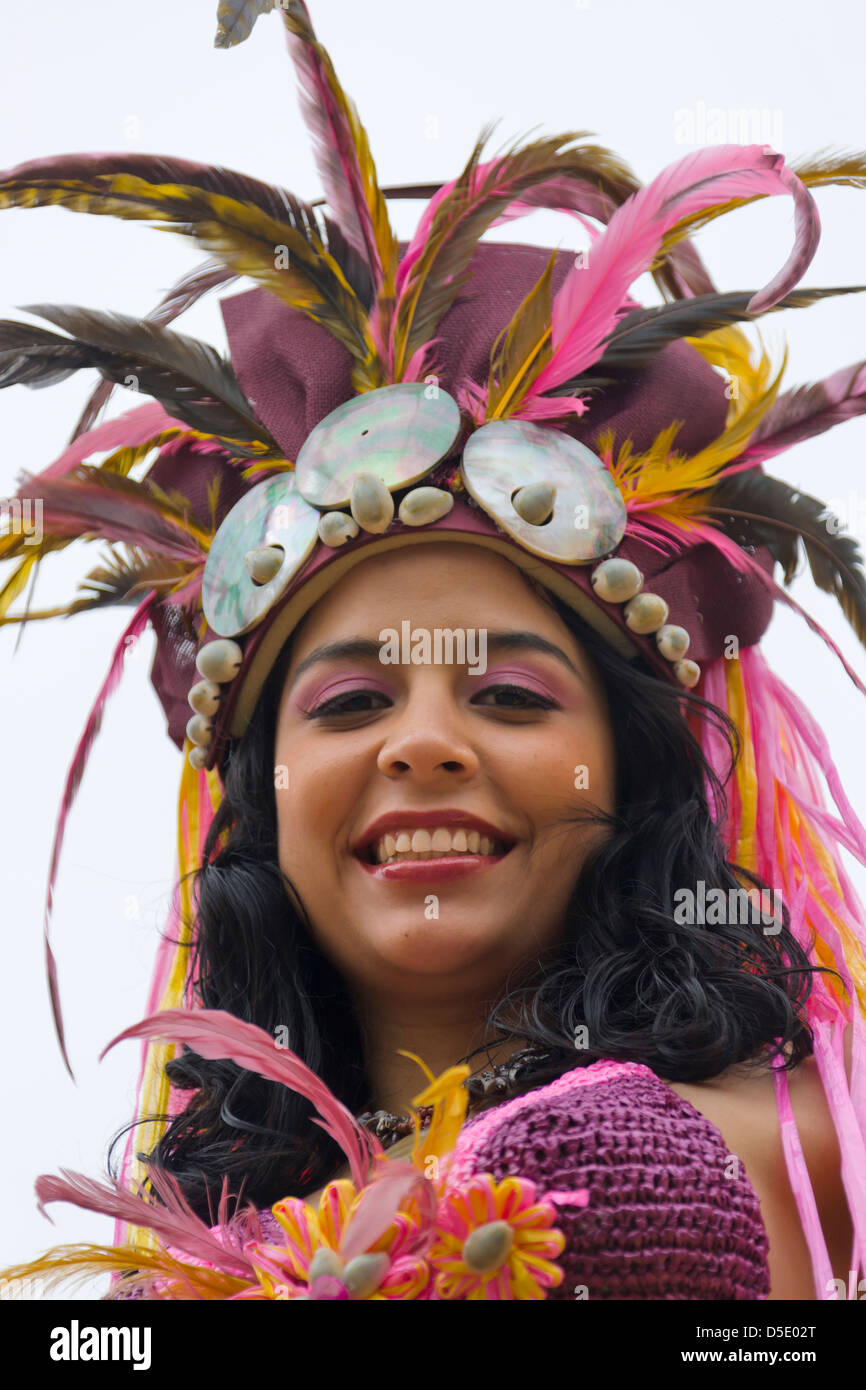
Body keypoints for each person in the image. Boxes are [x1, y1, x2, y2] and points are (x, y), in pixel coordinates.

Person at [1, 1, 866, 1301]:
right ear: (253, 797)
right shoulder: (184, 1259)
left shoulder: (805, 1152)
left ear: (629, 770)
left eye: (508, 693)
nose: (421, 740)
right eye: (349, 701)